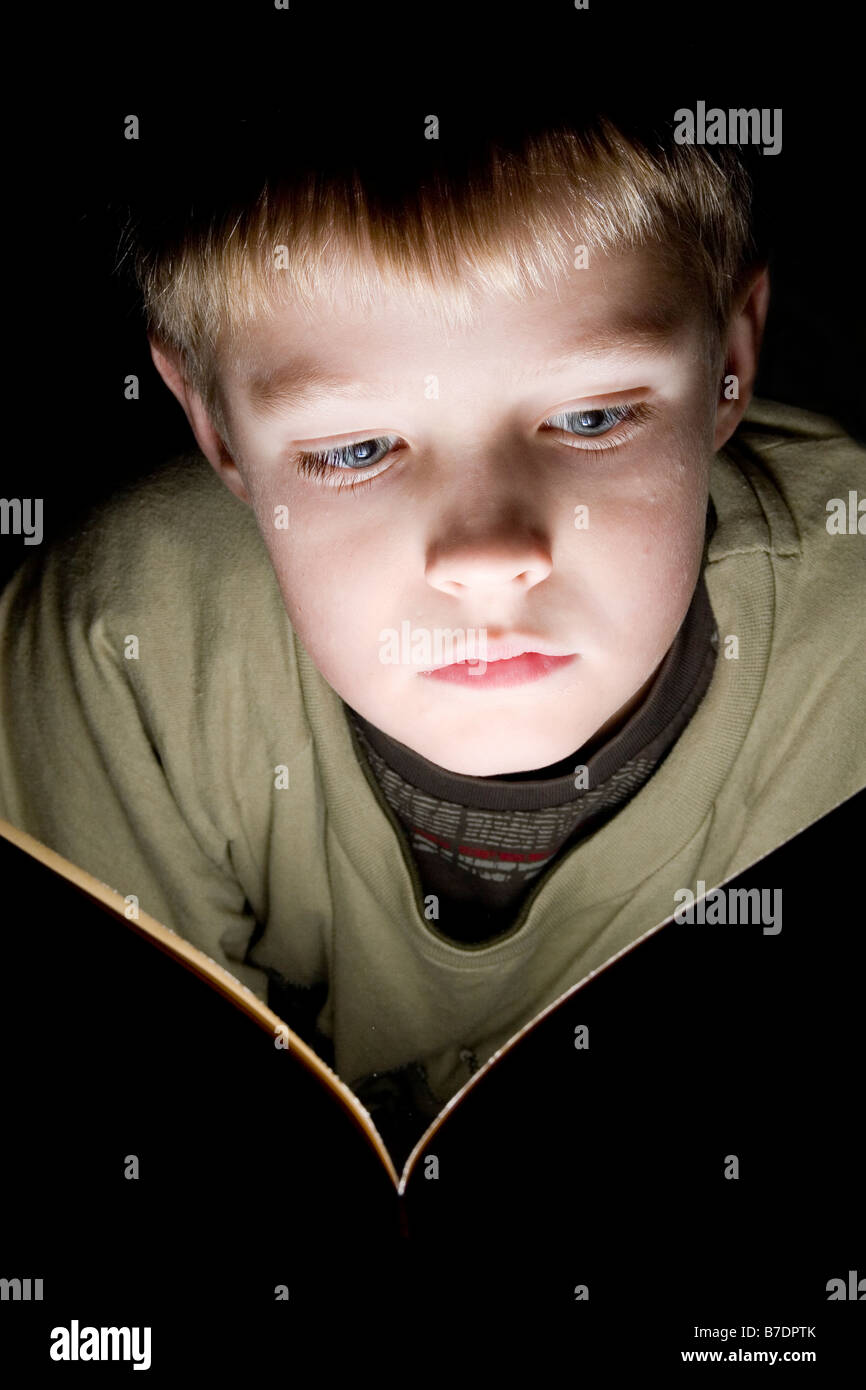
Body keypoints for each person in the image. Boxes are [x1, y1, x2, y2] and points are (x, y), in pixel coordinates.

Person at [1, 104, 863, 1134]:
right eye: (356, 450)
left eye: (590, 418)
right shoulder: (121, 650)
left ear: (729, 355)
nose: (487, 557)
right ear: (215, 428)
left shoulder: (849, 641)